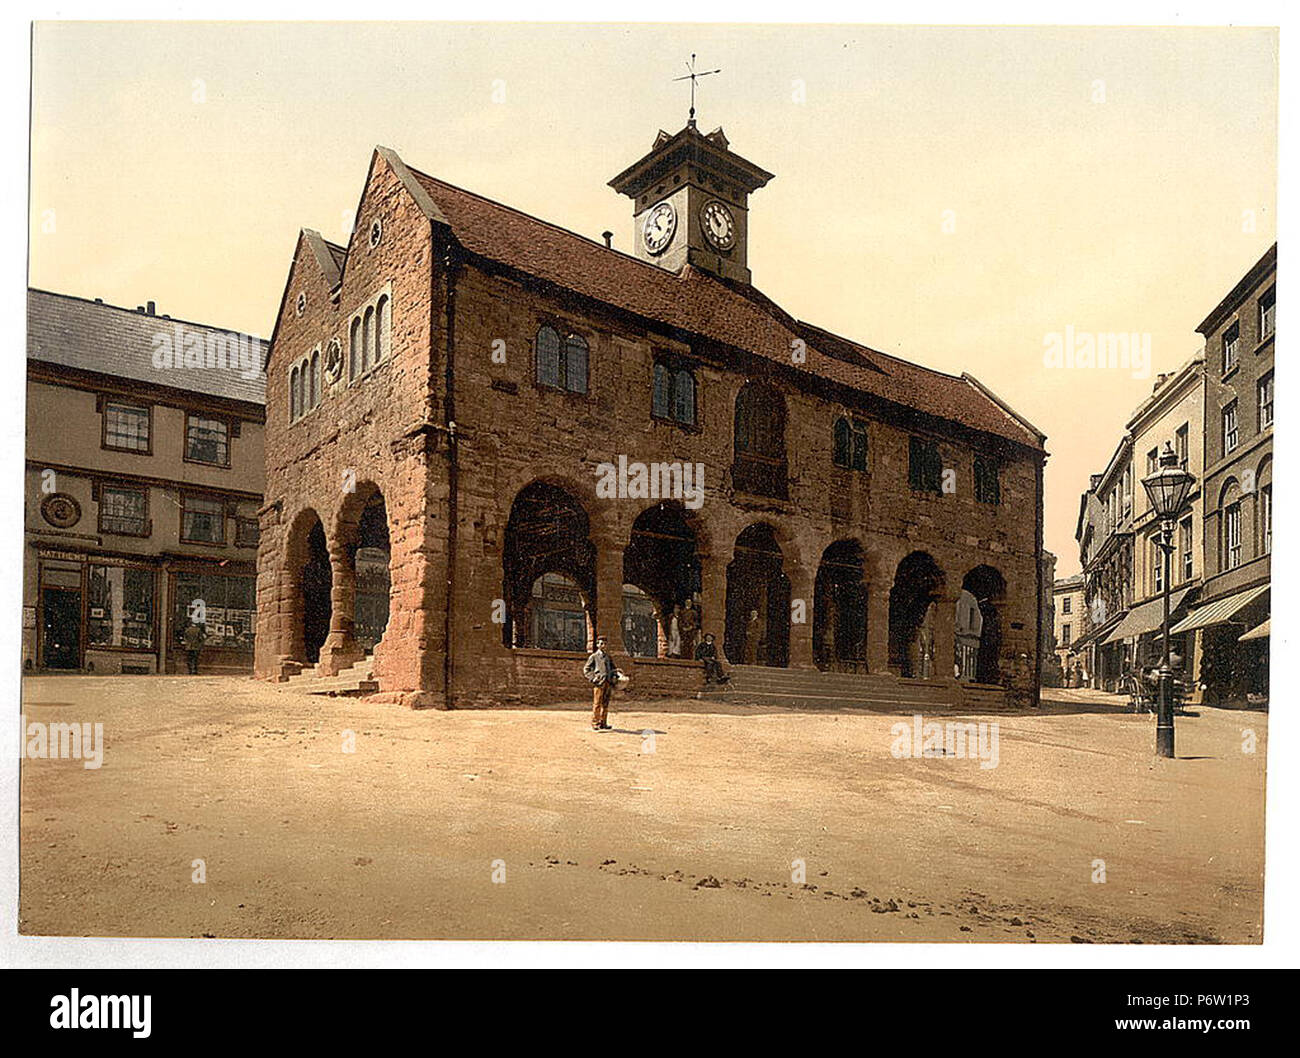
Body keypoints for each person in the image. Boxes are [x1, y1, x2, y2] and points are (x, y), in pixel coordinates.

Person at [582, 635, 621, 731]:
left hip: (608, 682)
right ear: (597, 644)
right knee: (597, 704)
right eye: (601, 643)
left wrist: (616, 675)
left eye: (605, 644)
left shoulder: (608, 657)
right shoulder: (594, 657)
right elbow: (586, 669)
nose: (603, 645)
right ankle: (595, 723)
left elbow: (613, 669)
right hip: (599, 683)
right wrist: (593, 678)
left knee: (605, 703)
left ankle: (603, 722)